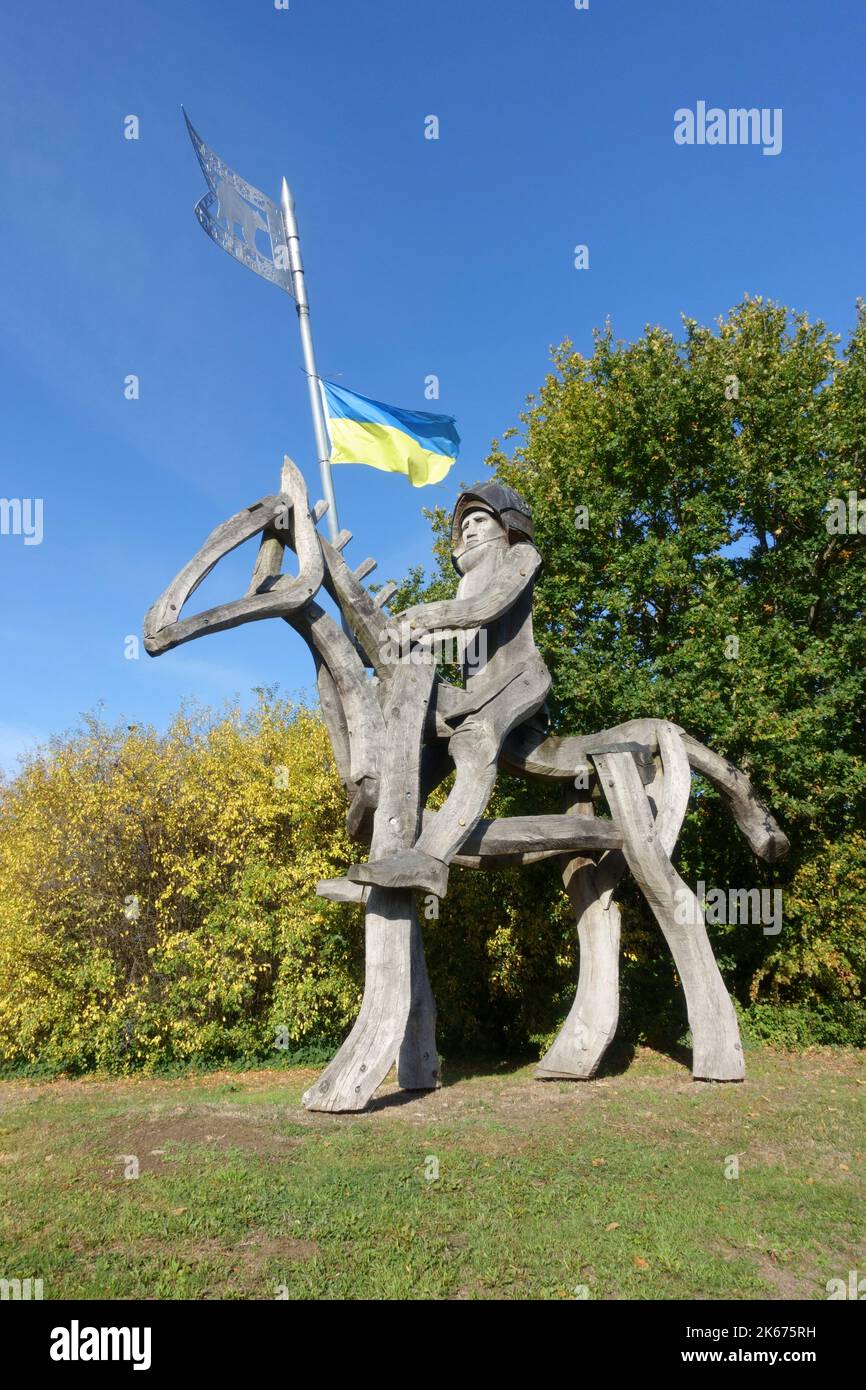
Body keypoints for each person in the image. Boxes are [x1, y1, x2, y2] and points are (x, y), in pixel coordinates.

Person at [341, 480, 552, 899]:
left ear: (506, 525)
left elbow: (486, 606)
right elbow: (447, 637)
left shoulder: (520, 556)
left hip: (519, 680)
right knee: (419, 753)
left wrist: (419, 616)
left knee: (472, 743)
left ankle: (431, 862)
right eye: (466, 524)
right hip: (477, 694)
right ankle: (383, 861)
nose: (471, 529)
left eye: (480, 520)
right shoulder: (465, 581)